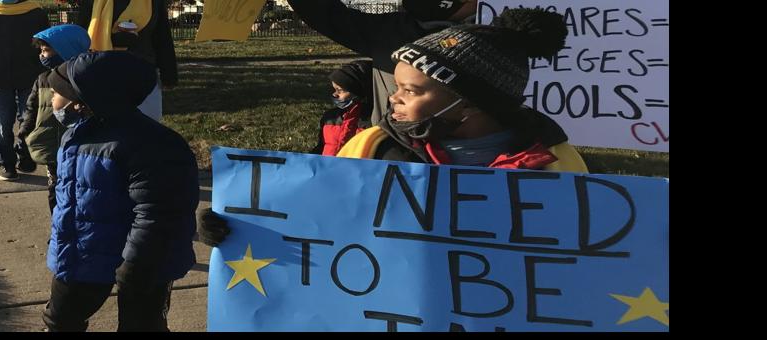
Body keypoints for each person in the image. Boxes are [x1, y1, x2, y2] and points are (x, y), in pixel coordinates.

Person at [197, 8, 588, 246]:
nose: (393, 98)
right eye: (396, 86)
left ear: (469, 103)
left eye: (410, 90)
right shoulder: (373, 146)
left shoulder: (555, 163)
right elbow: (318, 211)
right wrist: (242, 224)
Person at [44, 50, 198, 332]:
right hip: (82, 254)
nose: (52, 101)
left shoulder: (153, 145)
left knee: (141, 324)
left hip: (141, 263)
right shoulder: (75, 135)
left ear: (85, 101)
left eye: (58, 94)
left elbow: (158, 212)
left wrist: (135, 265)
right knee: (60, 320)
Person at [289, 0, 476, 129]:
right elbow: (323, 13)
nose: (396, 98)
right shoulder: (390, 30)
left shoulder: (496, 35)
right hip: (394, 155)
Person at [0, 0, 50, 180]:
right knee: (1, 126)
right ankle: (5, 162)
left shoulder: (36, 13)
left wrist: (43, 68)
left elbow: (45, 43)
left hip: (30, 79)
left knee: (29, 122)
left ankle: (25, 154)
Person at [19, 23, 91, 206]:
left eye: (46, 51)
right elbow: (31, 108)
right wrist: (24, 132)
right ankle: (58, 230)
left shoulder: (86, 80)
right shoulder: (42, 79)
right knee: (55, 191)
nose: (42, 55)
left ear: (65, 49)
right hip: (52, 147)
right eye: (41, 51)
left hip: (82, 148)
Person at [72, 0, 176, 120]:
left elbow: (162, 36)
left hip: (142, 71)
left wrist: (169, 75)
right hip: (102, 71)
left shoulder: (153, 2)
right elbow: (81, 33)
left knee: (146, 125)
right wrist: (113, 39)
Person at [314, 59, 370, 156]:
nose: (334, 94)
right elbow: (321, 147)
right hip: (327, 167)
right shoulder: (330, 118)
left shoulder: (371, 120)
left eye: (340, 90)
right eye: (334, 89)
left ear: (357, 92)